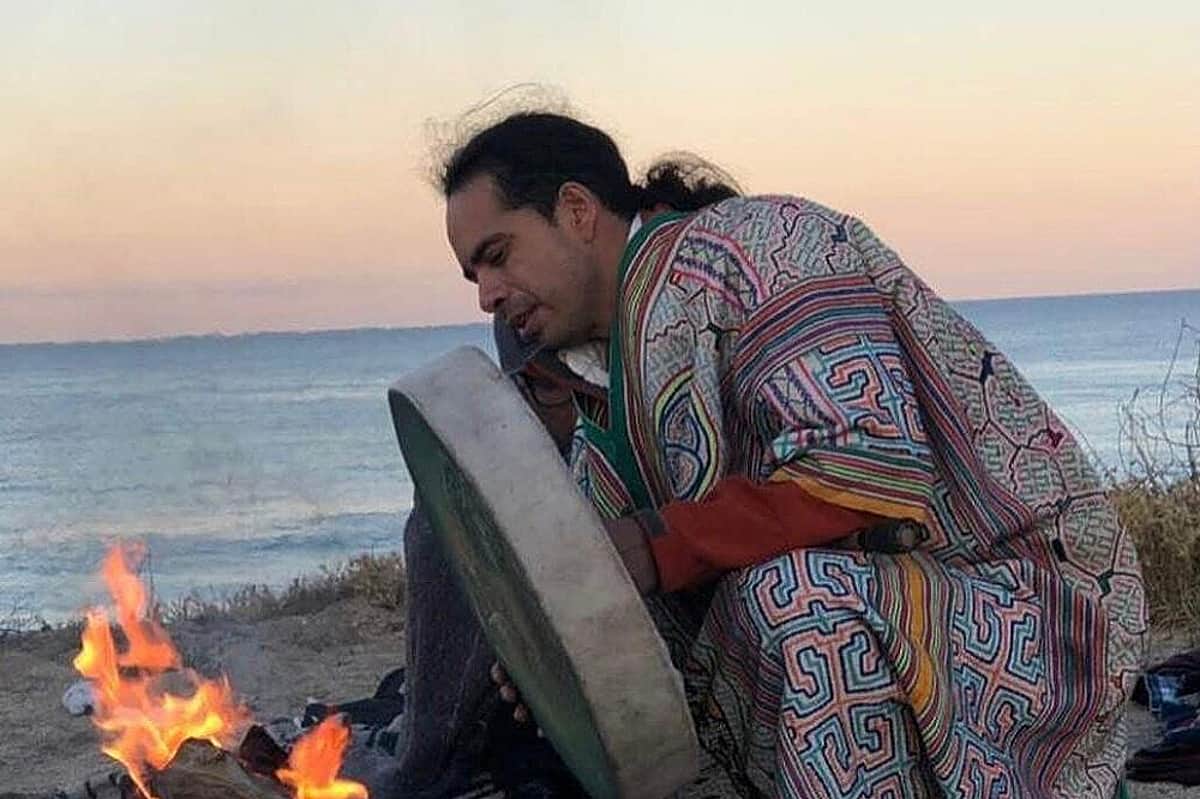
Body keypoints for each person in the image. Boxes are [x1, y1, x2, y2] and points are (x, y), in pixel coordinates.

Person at [437, 110, 1148, 798]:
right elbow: (647, 625)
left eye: (496, 256)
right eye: (473, 276)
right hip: (847, 617)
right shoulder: (594, 412)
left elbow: (869, 472)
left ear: (576, 209)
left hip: (1028, 603)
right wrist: (556, 660)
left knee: (790, 601)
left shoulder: (766, 246)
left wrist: (655, 544)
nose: (487, 296)